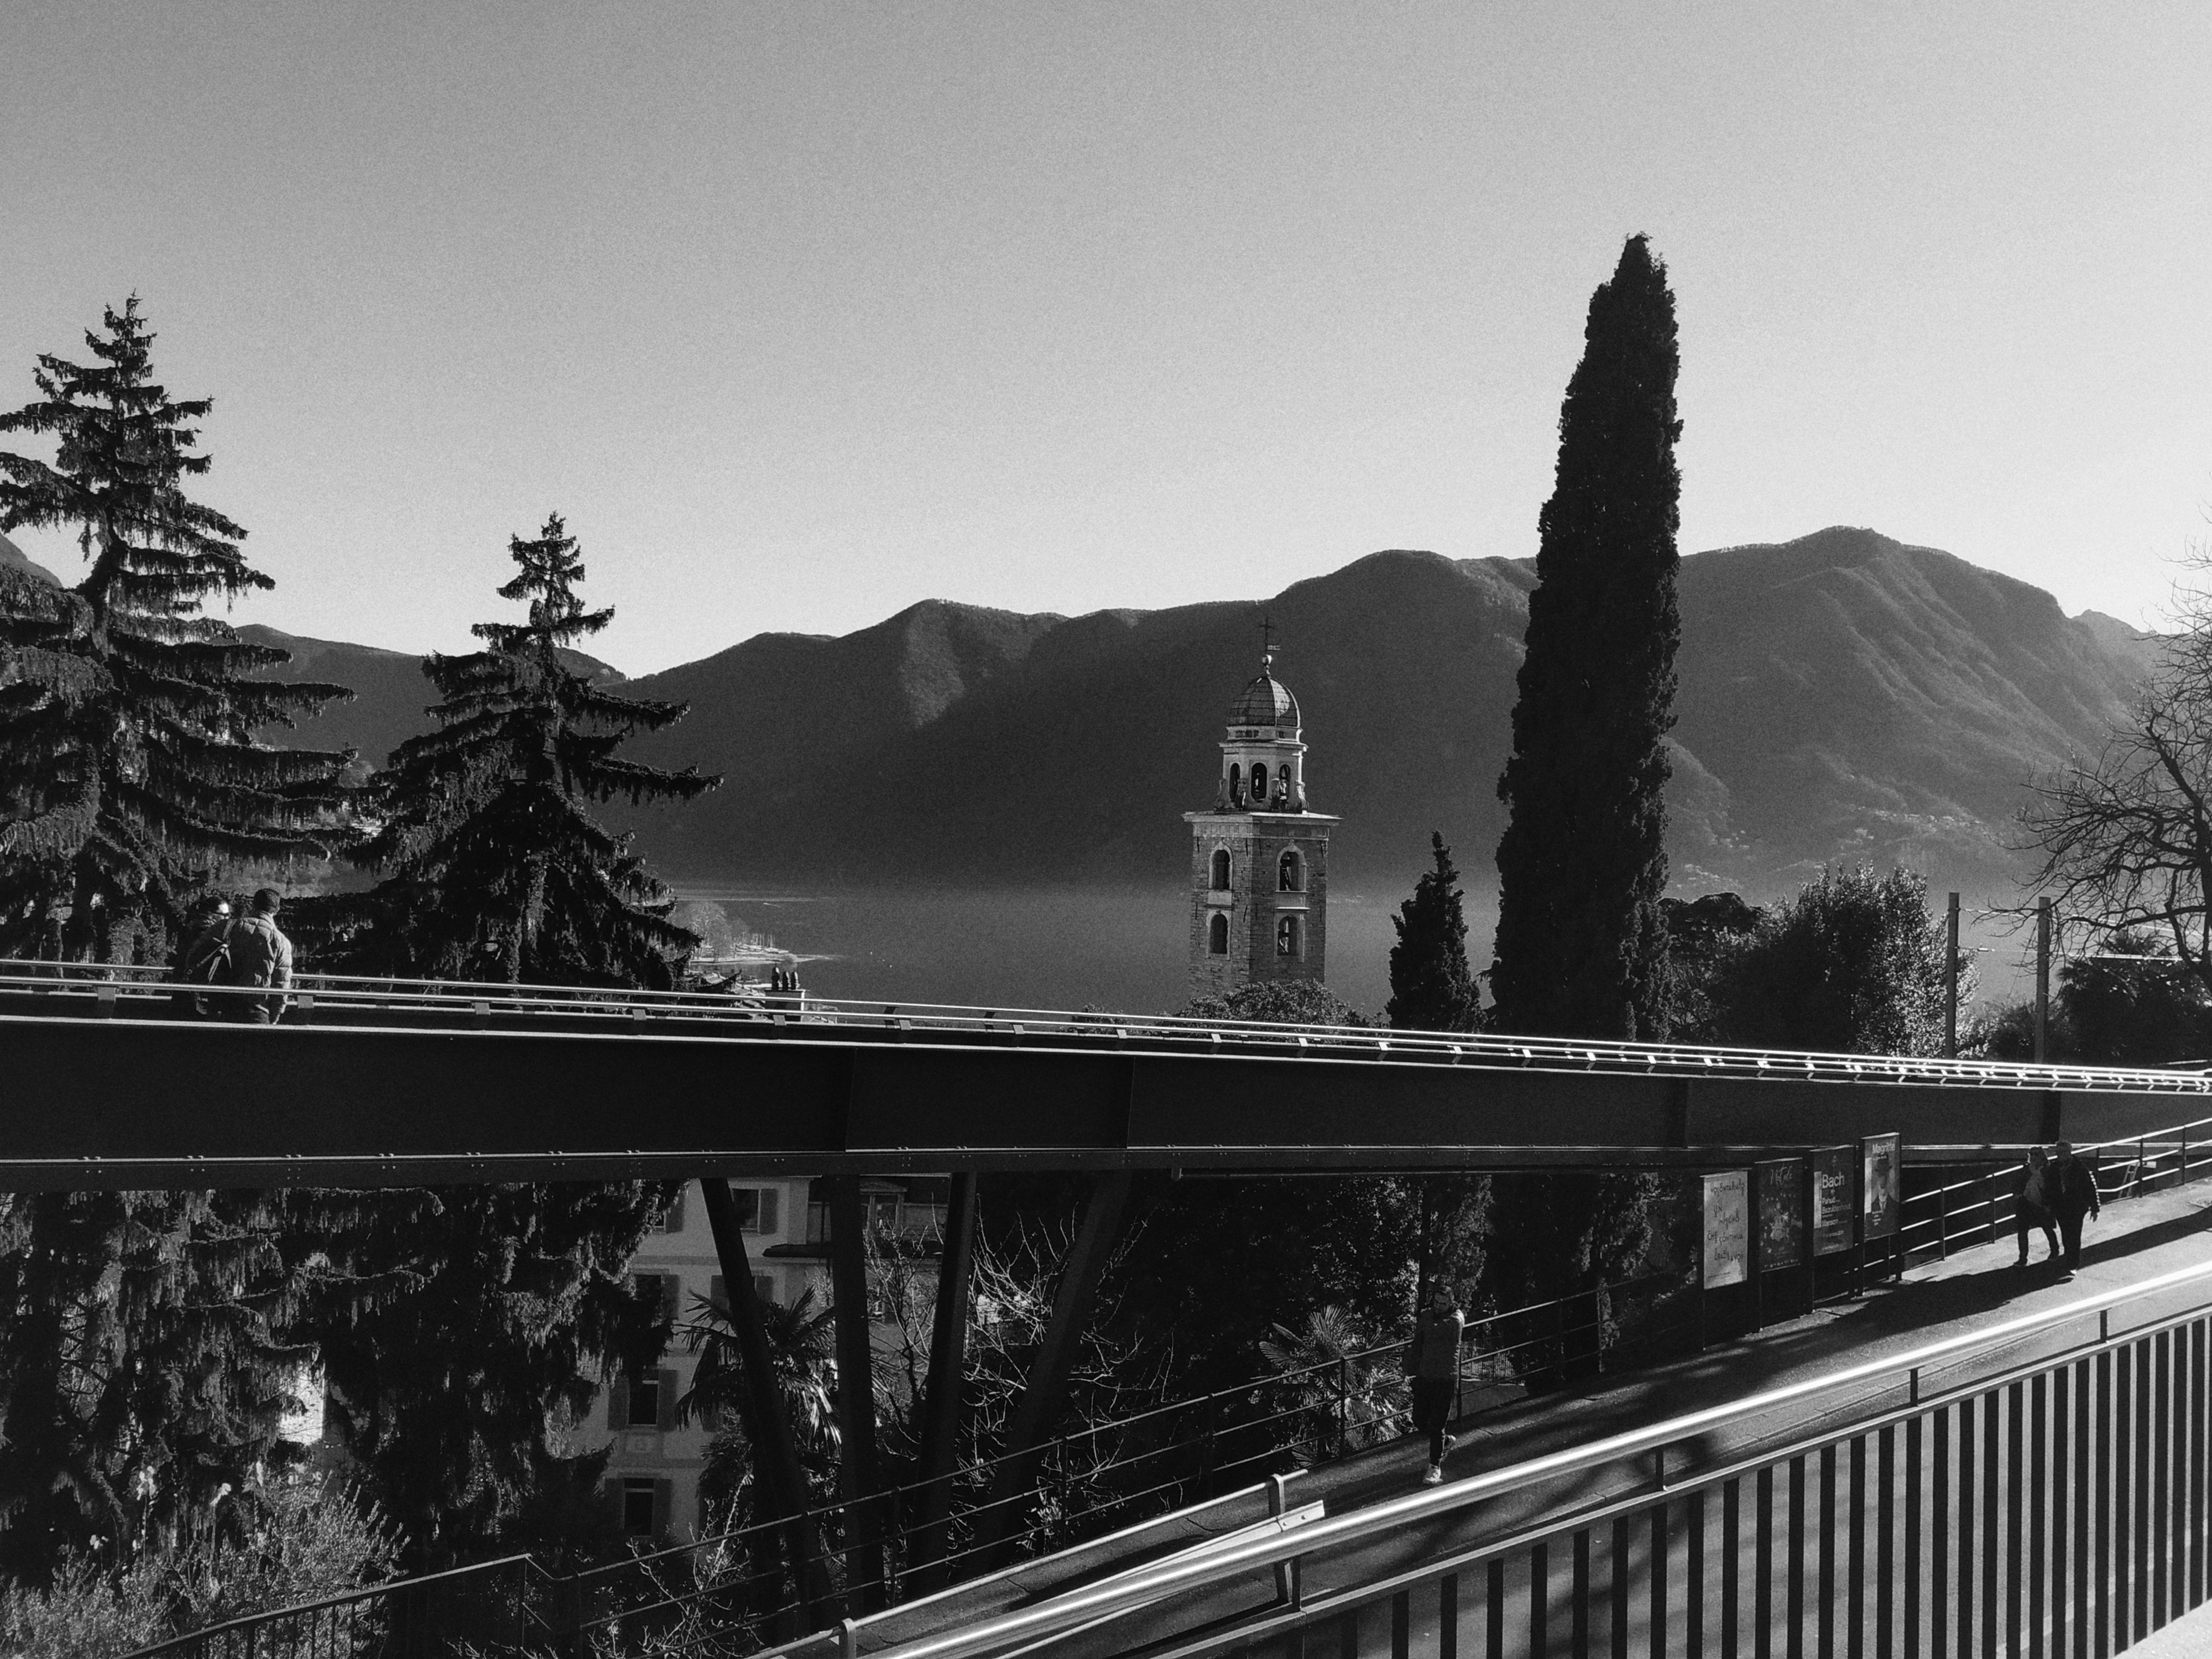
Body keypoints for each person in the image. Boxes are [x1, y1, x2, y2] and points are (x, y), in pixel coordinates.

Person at [1406, 1282, 1465, 1486]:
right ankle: (1445, 1443)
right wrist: (1410, 1369)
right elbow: (1419, 1342)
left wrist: (1427, 1321)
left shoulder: (1456, 1320)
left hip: (1446, 1379)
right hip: (1425, 1376)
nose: (1439, 1306)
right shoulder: (1427, 1316)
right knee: (1419, 1420)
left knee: (1438, 1423)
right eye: (1437, 1302)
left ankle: (1434, 1466)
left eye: (1444, 1303)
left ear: (1451, 1303)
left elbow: (1441, 1332)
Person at [209, 888, 293, 1024]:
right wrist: (274, 1017)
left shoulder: (226, 927)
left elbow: (196, 955)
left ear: (253, 905)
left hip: (223, 1008)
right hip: (257, 1011)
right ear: (276, 910)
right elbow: (281, 984)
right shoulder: (281, 941)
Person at [2050, 1141, 2103, 1276]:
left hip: (2076, 1207)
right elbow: (2050, 1189)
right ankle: (2068, 1258)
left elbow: (2090, 1188)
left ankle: (2073, 1264)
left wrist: (2095, 1208)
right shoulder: (2055, 1168)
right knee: (2066, 1235)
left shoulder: (2080, 1168)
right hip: (2061, 1207)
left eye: (2063, 1152)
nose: (2060, 1155)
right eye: (2058, 1153)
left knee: (2074, 1235)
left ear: (2069, 1152)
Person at [2016, 1146, 2060, 1267]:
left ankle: (2055, 1251)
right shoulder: (2026, 1170)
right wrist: (2018, 1195)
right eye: (2032, 1154)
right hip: (2026, 1203)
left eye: (2036, 1154)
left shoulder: (2047, 1170)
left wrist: (2049, 1204)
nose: (2033, 1157)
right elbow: (2018, 1183)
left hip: (2042, 1204)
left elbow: (2052, 1188)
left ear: (2042, 1156)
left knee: (2047, 1228)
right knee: (2022, 1231)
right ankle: (2023, 1257)